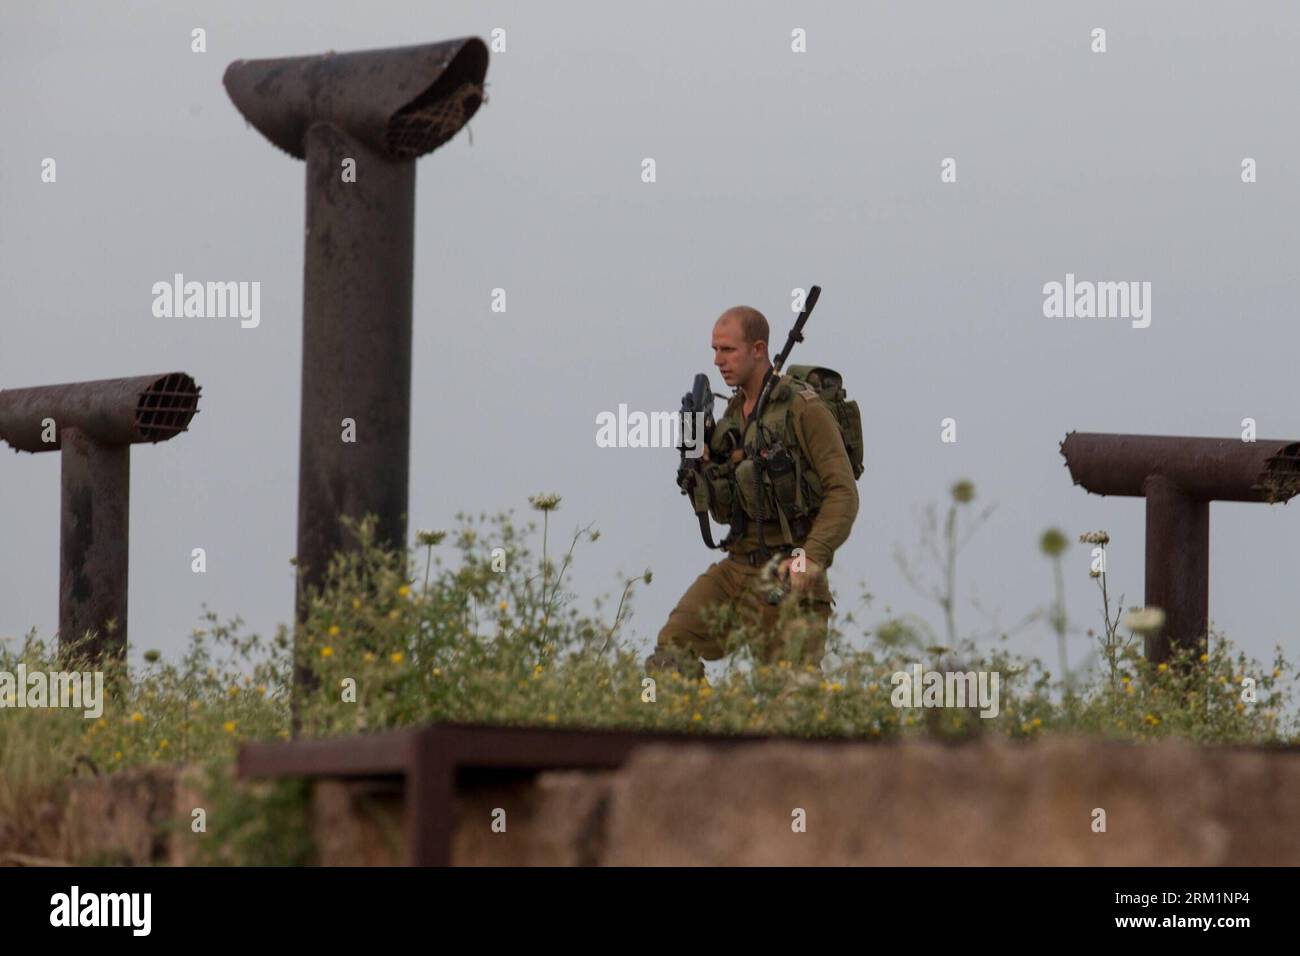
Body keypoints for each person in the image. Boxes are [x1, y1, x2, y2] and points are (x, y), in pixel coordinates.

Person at [645, 305, 859, 680]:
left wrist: (812, 556)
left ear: (758, 349)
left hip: (786, 574)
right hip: (737, 566)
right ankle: (701, 734)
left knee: (791, 697)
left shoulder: (801, 408)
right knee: (671, 653)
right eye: (714, 350)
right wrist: (704, 469)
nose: (718, 361)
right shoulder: (730, 417)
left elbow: (843, 491)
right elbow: (726, 513)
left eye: (727, 350)